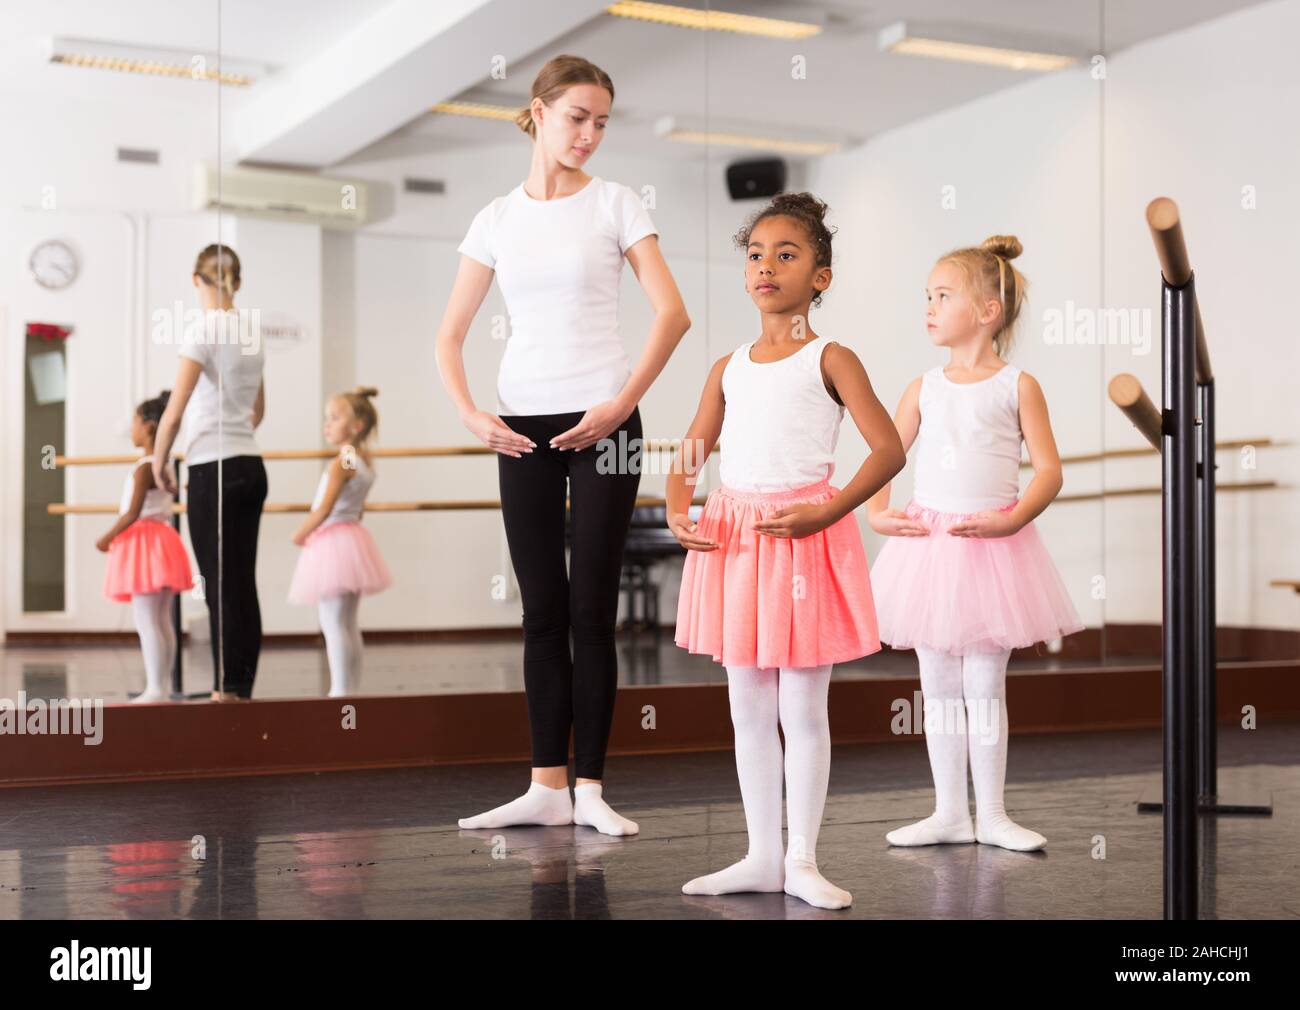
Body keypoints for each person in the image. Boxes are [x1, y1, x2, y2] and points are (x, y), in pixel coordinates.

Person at [436, 54, 690, 836]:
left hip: (608, 420)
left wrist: (619, 405)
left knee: (591, 607)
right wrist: (472, 413)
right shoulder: (496, 220)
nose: (590, 133)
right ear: (538, 112)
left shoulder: (617, 205)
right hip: (521, 426)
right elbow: (449, 337)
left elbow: (671, 314)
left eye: (603, 122)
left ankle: (590, 788)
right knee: (542, 609)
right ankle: (546, 785)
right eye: (578, 117)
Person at [669, 192, 905, 909]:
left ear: (821, 277)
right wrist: (679, 504)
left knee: (802, 707)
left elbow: (889, 449)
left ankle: (802, 859)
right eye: (755, 254)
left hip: (805, 534)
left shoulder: (831, 358)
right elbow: (692, 446)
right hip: (736, 538)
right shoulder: (727, 365)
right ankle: (760, 855)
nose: (766, 265)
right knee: (746, 705)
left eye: (787, 253)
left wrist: (825, 512)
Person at [868, 235, 1084, 852]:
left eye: (942, 296)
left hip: (991, 545)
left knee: (985, 683)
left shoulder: (1018, 385)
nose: (928, 307)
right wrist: (880, 512)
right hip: (930, 547)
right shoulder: (924, 386)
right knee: (935, 683)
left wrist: (1013, 519)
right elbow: (887, 454)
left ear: (988, 311)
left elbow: (1048, 470)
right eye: (926, 297)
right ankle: (948, 813)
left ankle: (991, 813)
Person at [153, 244, 268, 701]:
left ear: (197, 280)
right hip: (249, 465)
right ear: (236, 281)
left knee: (219, 582)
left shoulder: (202, 330)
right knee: (242, 579)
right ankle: (240, 686)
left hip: (211, 468)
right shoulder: (251, 333)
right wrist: (233, 430)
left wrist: (159, 461)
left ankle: (228, 690)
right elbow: (258, 410)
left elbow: (173, 412)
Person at [288, 387, 392, 697]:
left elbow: (323, 508)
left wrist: (300, 533)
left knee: (333, 621)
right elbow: (355, 511)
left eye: (334, 418)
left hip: (332, 541)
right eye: (327, 418)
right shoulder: (362, 462)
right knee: (346, 621)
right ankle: (349, 689)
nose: (327, 425)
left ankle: (339, 692)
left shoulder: (341, 464)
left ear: (356, 426)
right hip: (351, 539)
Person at [97, 390, 194, 703]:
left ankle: (155, 687)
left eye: (136, 423)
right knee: (162, 619)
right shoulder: (163, 465)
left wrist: (107, 537)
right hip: (161, 542)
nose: (132, 429)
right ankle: (161, 686)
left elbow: (132, 512)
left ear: (150, 427)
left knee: (147, 620)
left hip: (143, 545)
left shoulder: (144, 468)